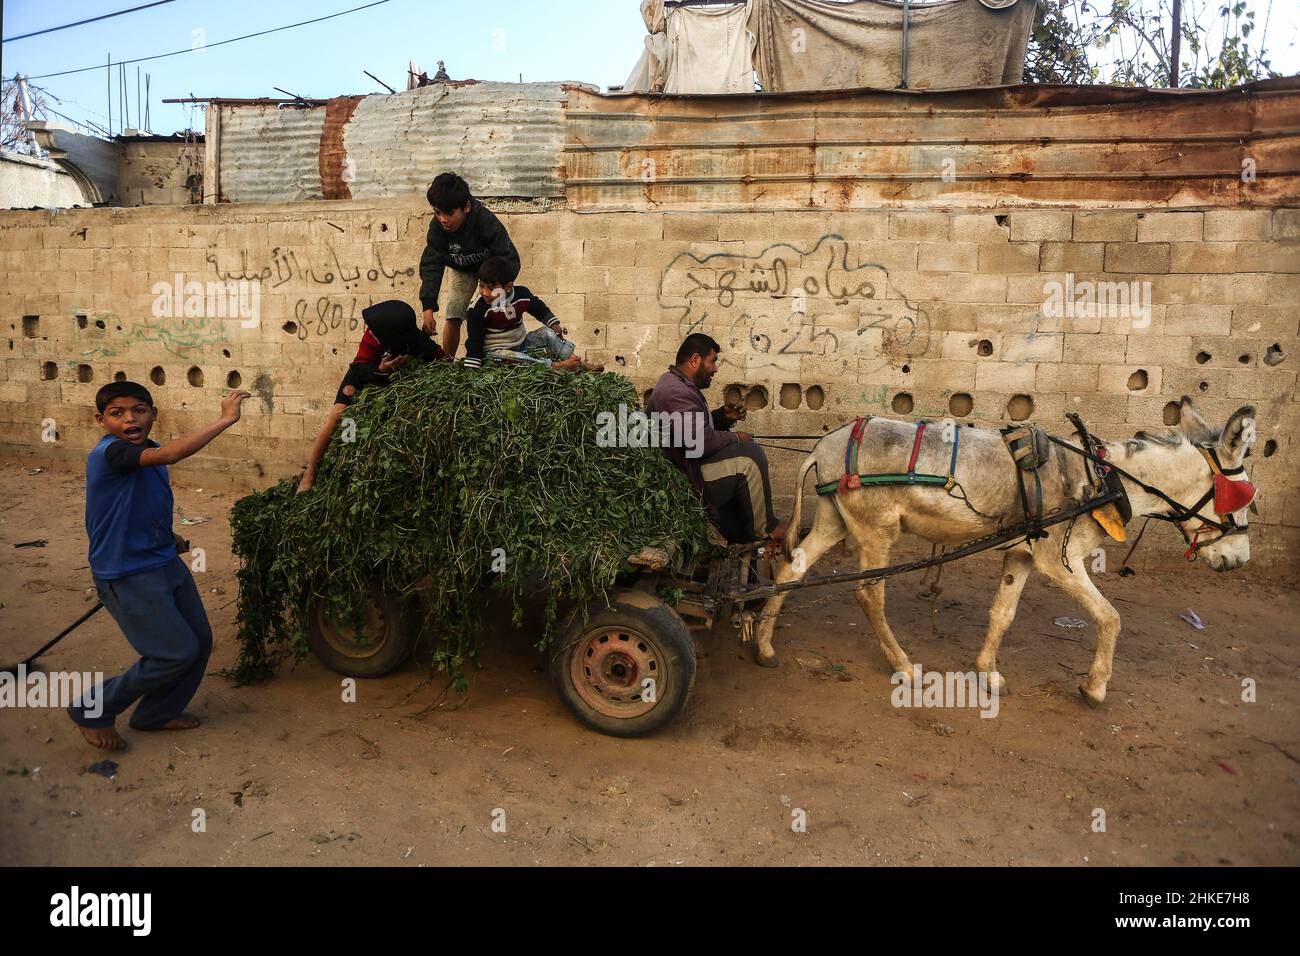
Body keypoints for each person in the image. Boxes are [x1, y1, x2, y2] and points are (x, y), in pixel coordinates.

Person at [68, 381, 251, 751]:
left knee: (199, 643)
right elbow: (169, 455)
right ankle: (92, 708)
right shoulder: (111, 454)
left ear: (154, 414)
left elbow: (140, 501)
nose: (130, 419)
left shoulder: (148, 451)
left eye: (139, 410)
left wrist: (167, 537)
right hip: (127, 573)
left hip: (164, 561)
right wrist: (225, 420)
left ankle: (155, 714)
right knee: (172, 652)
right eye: (117, 413)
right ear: (100, 419)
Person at [646, 334, 787, 546]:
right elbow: (697, 440)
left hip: (688, 465)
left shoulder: (677, 384)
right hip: (682, 477)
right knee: (750, 457)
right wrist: (736, 437)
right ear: (695, 360)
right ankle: (766, 528)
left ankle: (742, 534)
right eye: (712, 361)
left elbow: (688, 426)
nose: (715, 369)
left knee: (744, 455)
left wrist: (721, 417)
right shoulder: (674, 390)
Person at [299, 300, 446, 493]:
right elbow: (360, 368)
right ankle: (310, 473)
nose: (370, 329)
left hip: (391, 388)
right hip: (362, 374)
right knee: (340, 418)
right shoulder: (371, 337)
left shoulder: (415, 341)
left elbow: (444, 360)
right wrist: (380, 369)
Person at [418, 172, 520, 358]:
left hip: (494, 271)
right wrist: (428, 309)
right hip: (463, 269)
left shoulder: (485, 221)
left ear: (466, 207)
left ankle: (498, 356)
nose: (443, 219)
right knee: (454, 313)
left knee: (493, 312)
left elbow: (506, 259)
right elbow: (431, 265)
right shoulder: (437, 229)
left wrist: (496, 290)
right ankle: (446, 363)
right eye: (437, 213)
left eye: (449, 213)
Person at [459, 257, 601, 372]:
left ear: (508, 288)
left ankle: (578, 363)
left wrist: (554, 324)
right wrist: (471, 370)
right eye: (481, 286)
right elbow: (474, 343)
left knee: (546, 333)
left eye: (491, 288)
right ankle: (555, 367)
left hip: (522, 344)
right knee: (511, 358)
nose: (484, 292)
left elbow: (538, 308)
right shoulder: (477, 310)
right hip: (496, 353)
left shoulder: (522, 295)